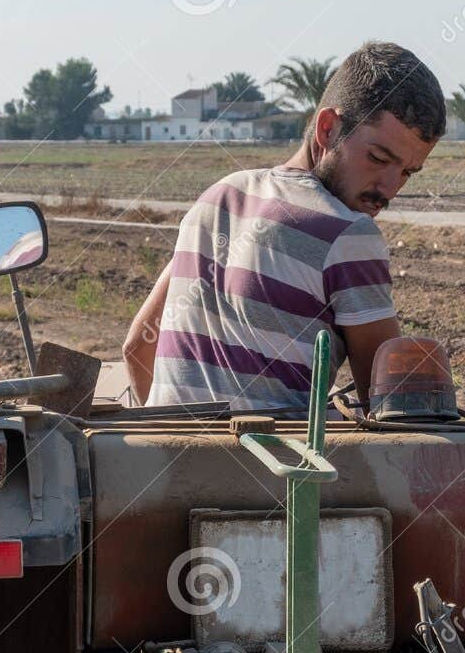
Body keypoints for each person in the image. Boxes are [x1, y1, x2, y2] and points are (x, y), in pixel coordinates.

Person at [122, 41, 446, 411]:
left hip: (160, 462)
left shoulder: (216, 198)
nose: (389, 188)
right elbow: (389, 408)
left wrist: (162, 445)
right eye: (377, 158)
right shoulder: (348, 233)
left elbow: (137, 347)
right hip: (271, 470)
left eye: (407, 172)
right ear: (328, 129)